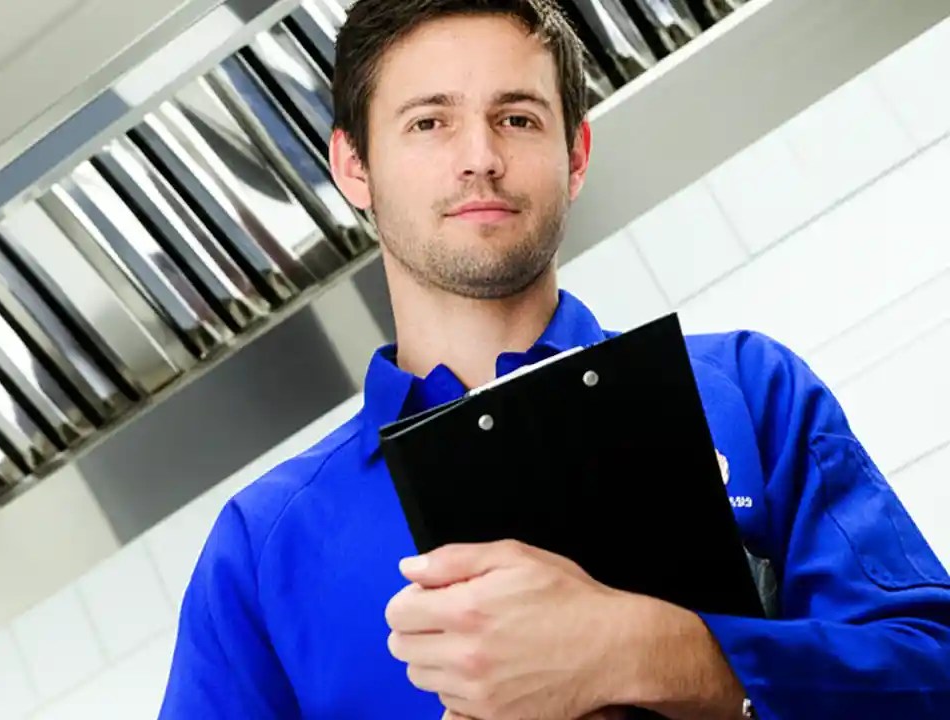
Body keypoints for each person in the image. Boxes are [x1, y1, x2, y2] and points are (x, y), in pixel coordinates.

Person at [157, 0, 950, 717]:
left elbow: (935, 676)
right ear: (353, 166)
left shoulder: (748, 393)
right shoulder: (262, 550)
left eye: (518, 118)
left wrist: (662, 652)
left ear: (576, 153)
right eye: (429, 122)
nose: (479, 157)